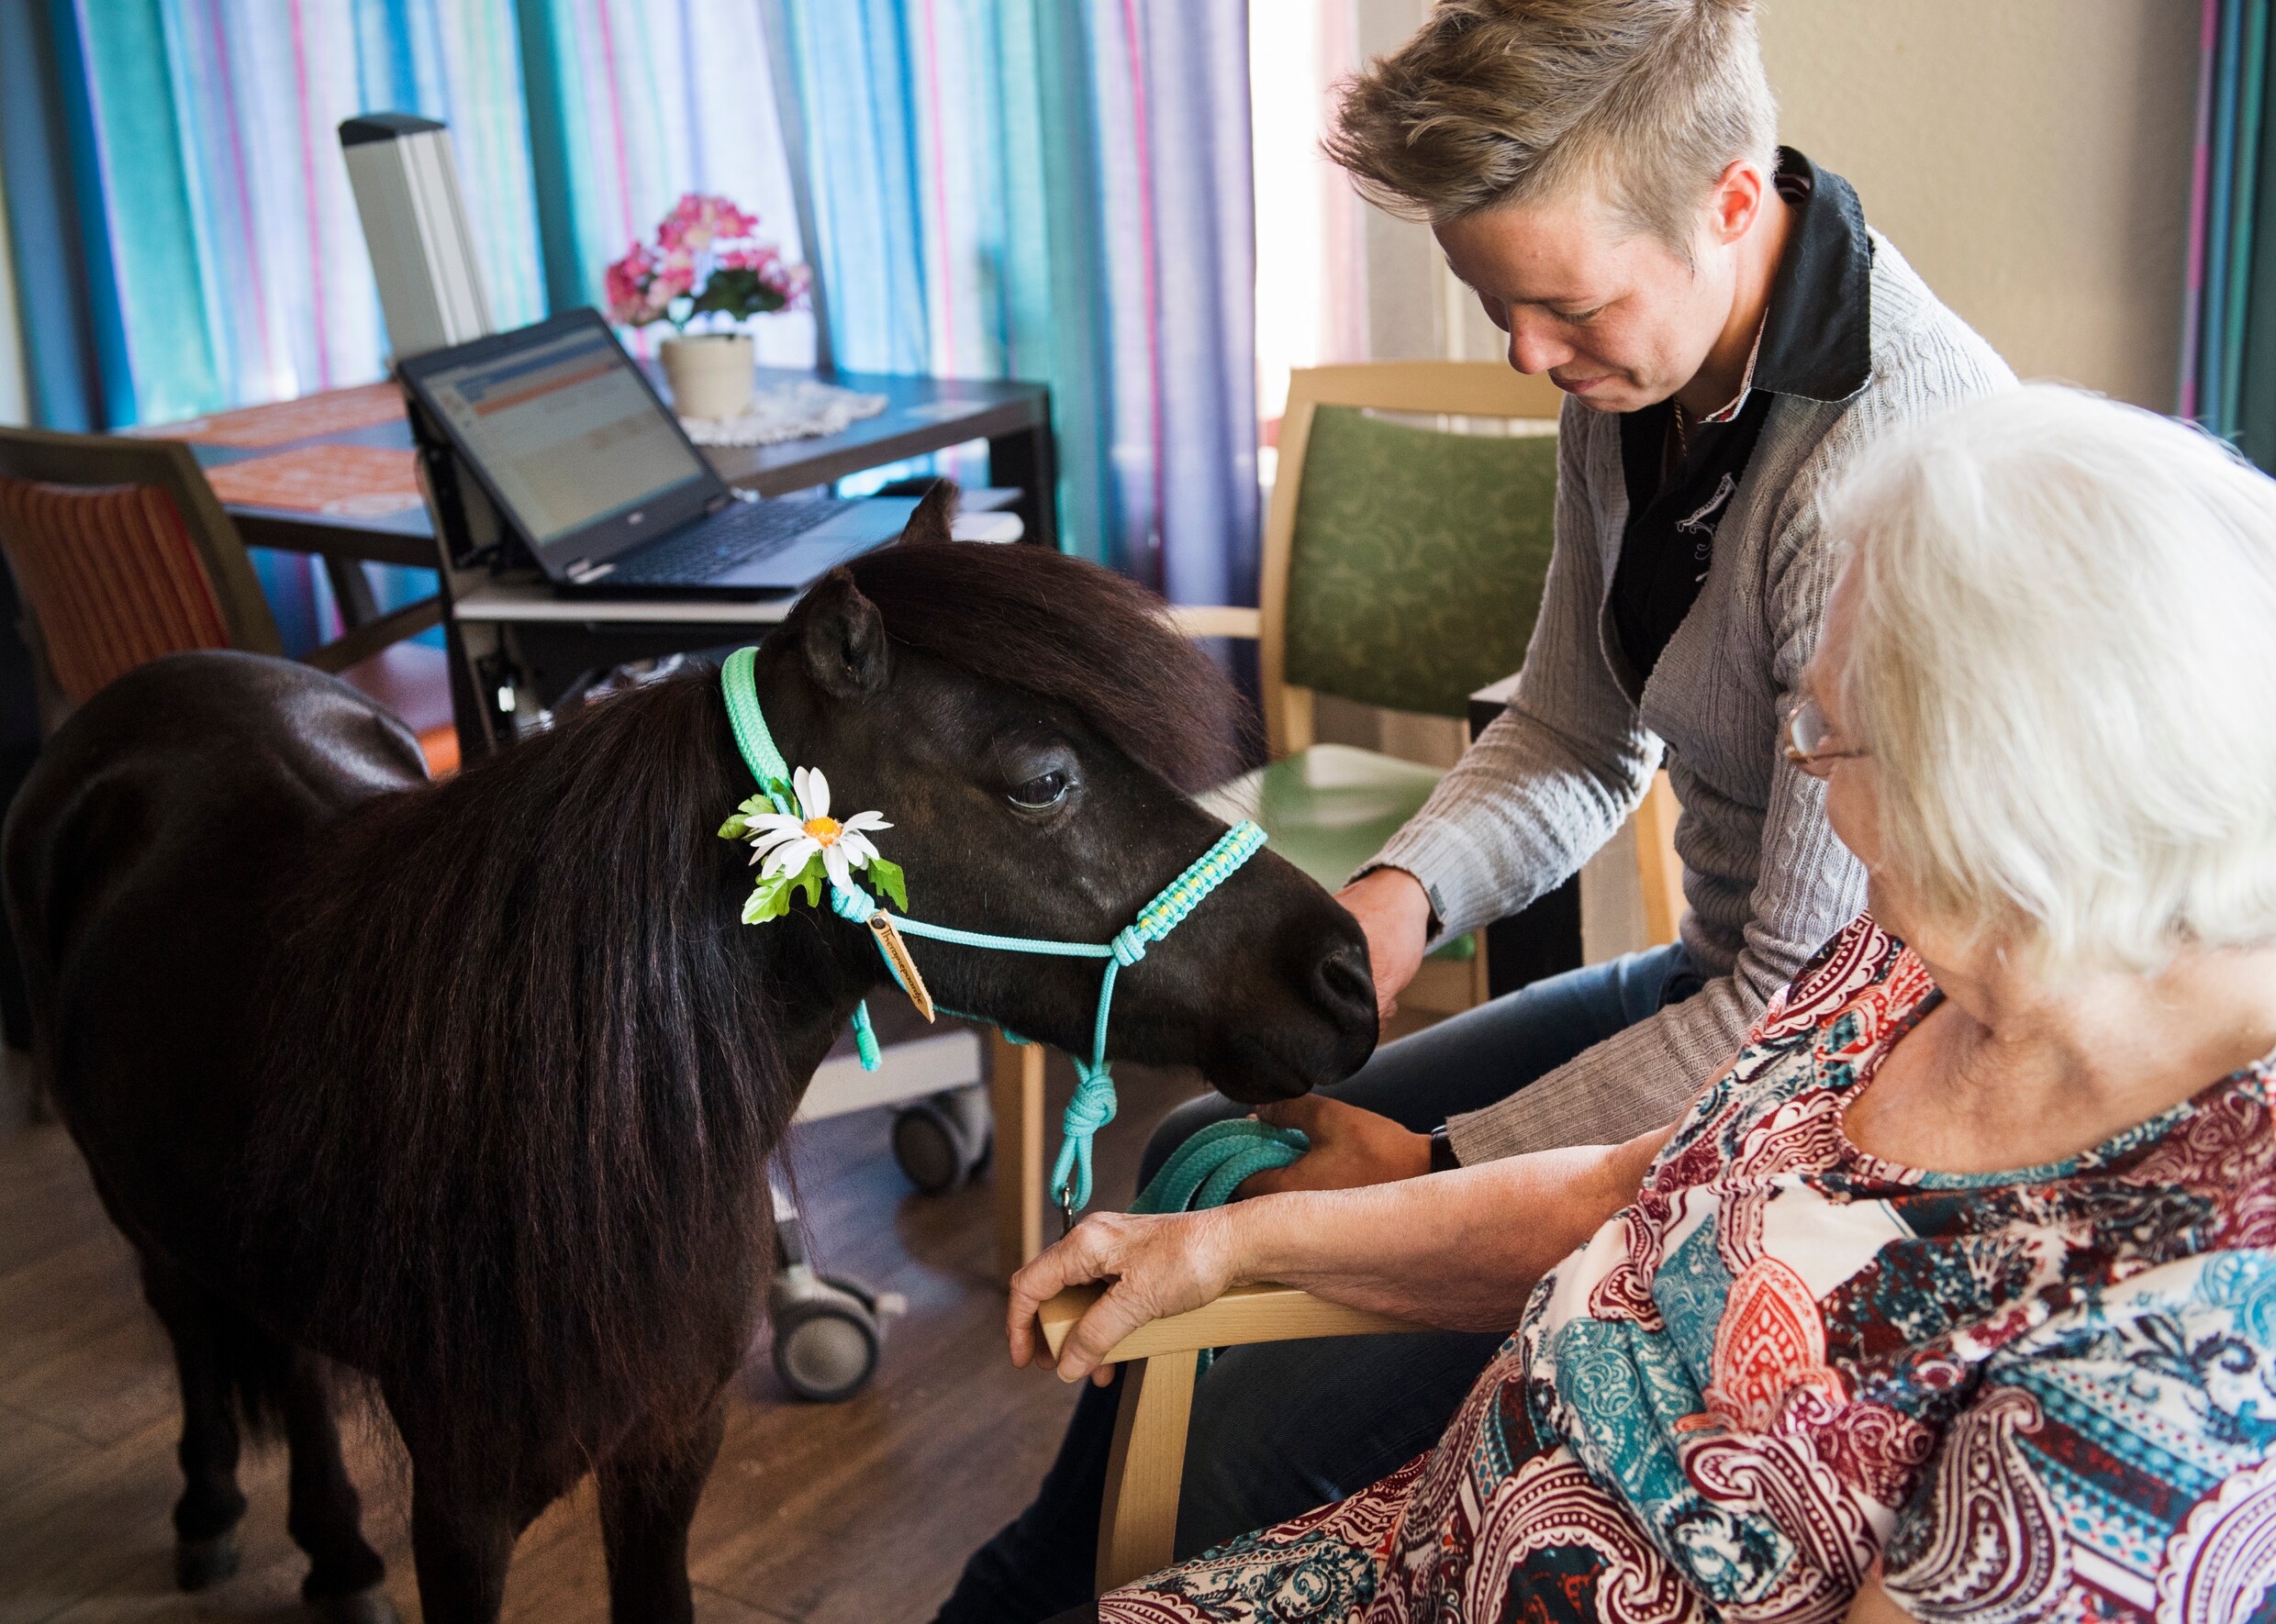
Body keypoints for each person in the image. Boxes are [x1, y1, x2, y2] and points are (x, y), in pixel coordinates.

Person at [933, 3, 2010, 1615]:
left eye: (1563, 306)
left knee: (1251, 1427)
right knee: (1199, 1145)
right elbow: (1578, 736)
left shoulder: (1889, 462)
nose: (1527, 358)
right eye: (1497, 303)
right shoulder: (1646, 363)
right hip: (1722, 1005)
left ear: (1732, 197)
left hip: (1848, 1117)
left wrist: (1431, 1157)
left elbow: (1793, 1021)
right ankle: (1049, 1573)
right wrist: (1392, 903)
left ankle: (1116, 1574)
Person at [1019, 384, 2276, 1623]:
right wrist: (1228, 1245)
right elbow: (1631, 1192)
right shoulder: (1908, 966)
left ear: (2008, 791)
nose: (1815, 786)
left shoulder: (2192, 1334)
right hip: (1403, 1556)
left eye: (1831, 737)